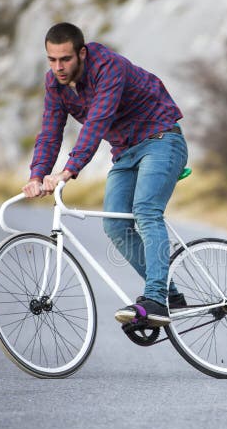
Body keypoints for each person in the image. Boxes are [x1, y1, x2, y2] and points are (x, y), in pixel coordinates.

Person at [23, 22, 188, 327]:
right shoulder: (54, 84)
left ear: (82, 54)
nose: (58, 67)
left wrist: (67, 172)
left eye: (65, 59)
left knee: (145, 211)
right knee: (114, 224)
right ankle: (170, 295)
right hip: (125, 152)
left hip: (162, 139)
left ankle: (155, 298)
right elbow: (50, 132)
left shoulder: (108, 67)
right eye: (52, 60)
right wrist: (37, 175)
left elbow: (98, 121)